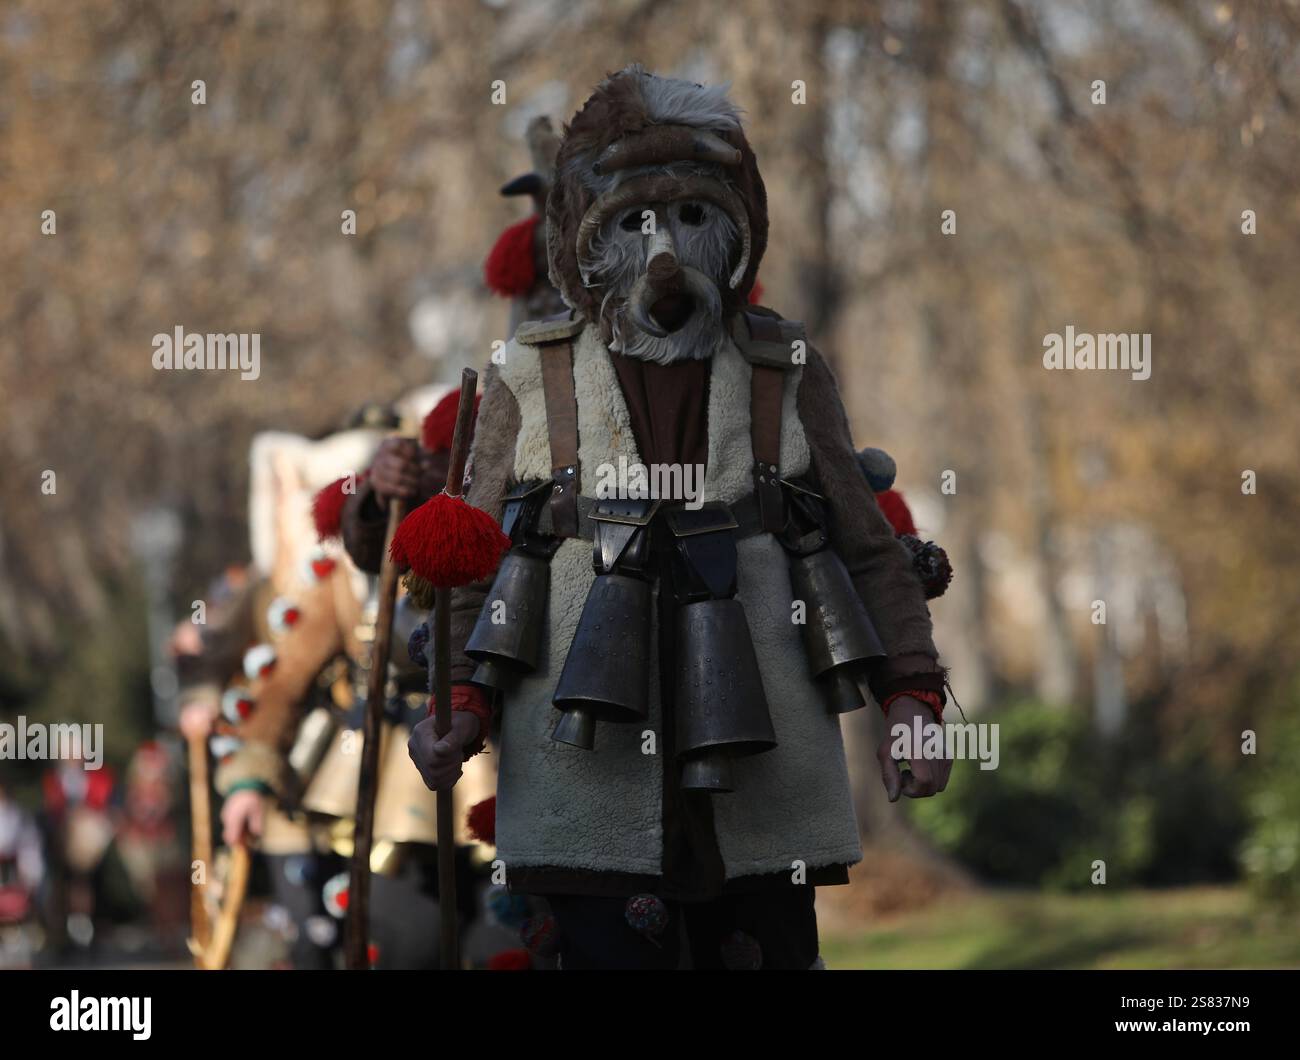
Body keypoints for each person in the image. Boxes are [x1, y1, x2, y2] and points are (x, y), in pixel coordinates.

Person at [406, 66, 953, 970]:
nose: (666, 252)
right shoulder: (525, 378)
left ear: (738, 228)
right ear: (588, 243)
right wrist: (461, 708)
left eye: (694, 218)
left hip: (766, 770)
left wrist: (914, 701)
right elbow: (474, 561)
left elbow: (867, 545)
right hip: (580, 778)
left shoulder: (787, 366)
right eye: (632, 223)